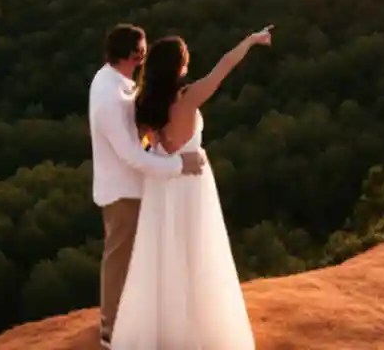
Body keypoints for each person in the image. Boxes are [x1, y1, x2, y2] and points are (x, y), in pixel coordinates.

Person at [111, 26, 272, 349]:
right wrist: (252, 40)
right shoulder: (189, 97)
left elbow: (140, 144)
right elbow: (225, 65)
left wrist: (160, 146)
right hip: (192, 182)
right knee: (196, 250)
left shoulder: (145, 104)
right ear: (178, 66)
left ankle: (164, 332)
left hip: (161, 182)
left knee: (162, 253)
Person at [89, 24, 206, 350]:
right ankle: (110, 330)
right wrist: (178, 165)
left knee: (136, 258)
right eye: (141, 49)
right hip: (123, 190)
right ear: (131, 54)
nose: (145, 54)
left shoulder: (115, 84)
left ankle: (129, 321)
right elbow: (130, 156)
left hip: (133, 186)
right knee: (120, 260)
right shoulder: (109, 96)